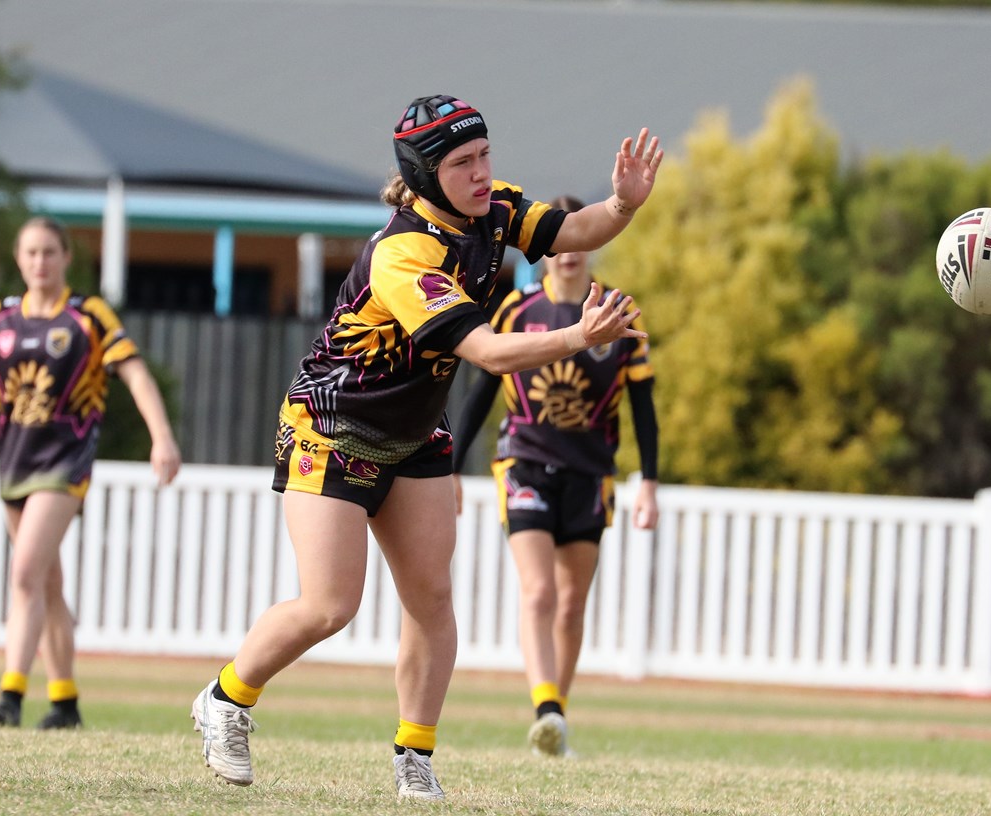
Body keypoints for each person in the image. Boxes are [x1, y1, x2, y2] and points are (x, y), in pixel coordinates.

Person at [189, 95, 662, 801]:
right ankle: (226, 699)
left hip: (413, 434)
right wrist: (576, 338)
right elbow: (489, 353)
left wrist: (622, 205)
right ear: (422, 174)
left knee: (432, 598)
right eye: (463, 162)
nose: (482, 173)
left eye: (485, 155)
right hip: (332, 425)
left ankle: (415, 757)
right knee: (330, 604)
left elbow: (573, 229)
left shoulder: (494, 209)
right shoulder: (404, 254)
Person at [450, 194, 659, 759]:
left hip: (591, 471)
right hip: (524, 462)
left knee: (571, 605)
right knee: (539, 590)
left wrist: (650, 484)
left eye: (578, 242)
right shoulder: (516, 310)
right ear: (544, 252)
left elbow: (643, 403)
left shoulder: (618, 312)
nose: (568, 254)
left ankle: (556, 718)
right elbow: (479, 394)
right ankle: (544, 705)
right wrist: (452, 467)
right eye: (557, 245)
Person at [0, 216, 182, 730]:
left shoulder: (86, 316)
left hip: (64, 463)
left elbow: (134, 373)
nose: (40, 262)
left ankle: (11, 695)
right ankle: (64, 702)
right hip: (15, 460)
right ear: (19, 260)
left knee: (24, 572)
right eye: (31, 253)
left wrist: (162, 437)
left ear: (66, 258)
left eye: (49, 252)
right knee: (46, 580)